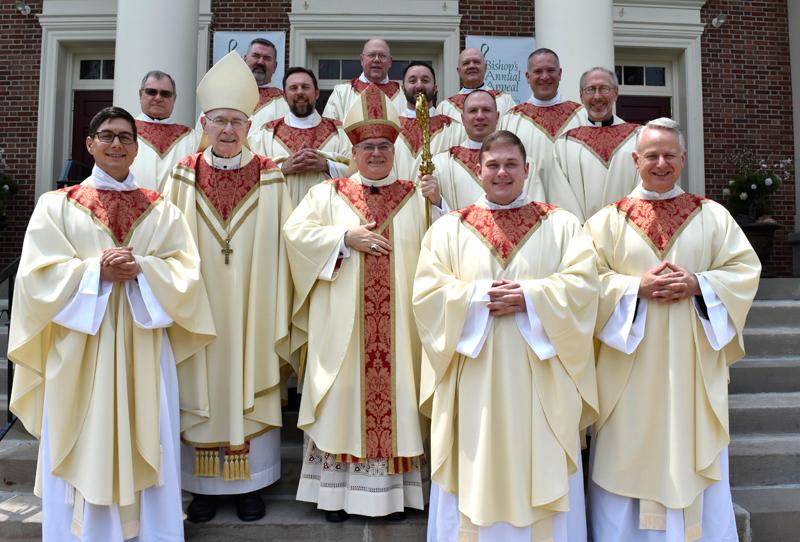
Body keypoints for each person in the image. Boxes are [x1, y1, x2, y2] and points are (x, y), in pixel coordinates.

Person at [8, 106, 215, 541]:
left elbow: (186, 272)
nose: (116, 144)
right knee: (81, 433)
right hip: (80, 348)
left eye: (125, 137)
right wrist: (93, 273)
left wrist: (142, 268)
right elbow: (34, 278)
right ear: (90, 144)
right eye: (107, 136)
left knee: (149, 431)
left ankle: (151, 533)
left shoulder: (162, 211)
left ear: (137, 147)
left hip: (144, 343)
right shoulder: (55, 206)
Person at [414, 130, 599, 542]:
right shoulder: (449, 229)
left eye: (510, 165)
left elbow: (586, 288)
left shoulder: (562, 224)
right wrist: (480, 296)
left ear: (527, 170)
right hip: (474, 377)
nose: (502, 173)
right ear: (478, 172)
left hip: (542, 379)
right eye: (493, 165)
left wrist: (531, 297)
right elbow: (426, 295)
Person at [583, 118, 761, 542]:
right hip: (627, 370)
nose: (660, 163)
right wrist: (634, 287)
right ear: (635, 160)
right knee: (626, 451)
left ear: (683, 159)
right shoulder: (606, 221)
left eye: (669, 155)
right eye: (651, 156)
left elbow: (743, 270)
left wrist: (699, 283)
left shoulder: (712, 215)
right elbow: (584, 284)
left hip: (691, 366)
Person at [284, 83, 443, 522]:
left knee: (399, 398)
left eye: (383, 146)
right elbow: (295, 237)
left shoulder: (415, 196)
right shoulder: (326, 194)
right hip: (342, 326)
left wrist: (440, 202)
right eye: (367, 146)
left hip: (400, 329)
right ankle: (335, 495)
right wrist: (342, 237)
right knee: (341, 398)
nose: (375, 153)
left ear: (395, 150)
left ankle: (394, 497)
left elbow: (447, 245)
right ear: (352, 152)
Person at [164, 51, 294, 523]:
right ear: (204, 121)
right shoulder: (182, 171)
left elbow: (284, 240)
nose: (227, 130)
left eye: (236, 122)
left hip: (253, 299)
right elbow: (168, 237)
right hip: (199, 299)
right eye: (219, 121)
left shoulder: (269, 172)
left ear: (248, 125)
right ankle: (202, 488)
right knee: (200, 378)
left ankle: (252, 484)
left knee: (250, 376)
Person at [251, 66, 351, 206]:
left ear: (316, 93)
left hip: (326, 217)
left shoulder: (339, 131)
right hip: (282, 215)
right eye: (293, 88)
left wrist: (327, 165)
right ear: (285, 96)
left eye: (305, 87)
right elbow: (250, 174)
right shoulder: (267, 134)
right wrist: (283, 168)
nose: (300, 92)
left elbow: (356, 171)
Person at [499, 49, 586, 208]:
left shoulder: (582, 116)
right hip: (527, 213)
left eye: (551, 70)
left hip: (575, 212)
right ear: (527, 76)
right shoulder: (511, 120)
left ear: (560, 73)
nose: (545, 76)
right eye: (538, 71)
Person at [552, 67, 640, 222]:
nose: (597, 96)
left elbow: (643, 187)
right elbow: (561, 194)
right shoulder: (564, 144)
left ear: (616, 93)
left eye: (604, 89)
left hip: (628, 231)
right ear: (581, 96)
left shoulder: (637, 138)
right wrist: (581, 233)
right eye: (590, 90)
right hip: (584, 236)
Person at [431, 89, 544, 210]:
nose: (480, 116)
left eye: (486, 110)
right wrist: (438, 202)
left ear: (497, 117)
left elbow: (537, 213)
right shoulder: (441, 164)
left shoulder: (522, 163)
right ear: (463, 119)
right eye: (473, 111)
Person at [130, 70, 200, 191]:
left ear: (174, 98)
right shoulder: (124, 133)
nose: (158, 98)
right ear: (141, 95)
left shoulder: (192, 138)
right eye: (151, 92)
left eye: (165, 94)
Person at [394, 62, 462, 181]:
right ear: (403, 88)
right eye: (412, 81)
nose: (419, 85)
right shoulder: (391, 127)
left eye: (425, 80)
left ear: (435, 88)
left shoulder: (453, 128)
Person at [322, 38, 405, 120]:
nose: (376, 59)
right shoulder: (341, 93)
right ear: (362, 60)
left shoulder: (403, 94)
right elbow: (330, 128)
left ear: (390, 62)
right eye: (371, 55)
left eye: (382, 56)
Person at [435, 48, 516, 123]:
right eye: (466, 63)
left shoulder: (506, 101)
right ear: (458, 71)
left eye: (476, 62)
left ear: (485, 68)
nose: (471, 66)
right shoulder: (445, 108)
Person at [244, 38, 290, 137]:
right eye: (255, 56)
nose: (260, 62)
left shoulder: (287, 104)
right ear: (244, 60)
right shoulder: (224, 97)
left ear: (275, 66)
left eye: (267, 58)